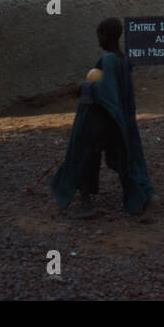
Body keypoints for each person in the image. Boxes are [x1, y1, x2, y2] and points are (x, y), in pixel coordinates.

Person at [50, 18, 154, 217]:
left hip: (102, 120)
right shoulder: (123, 59)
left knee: (84, 157)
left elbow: (105, 92)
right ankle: (142, 197)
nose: (99, 41)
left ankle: (85, 204)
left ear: (106, 36)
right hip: (117, 121)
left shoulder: (108, 60)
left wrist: (83, 88)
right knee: (125, 159)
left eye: (99, 36)